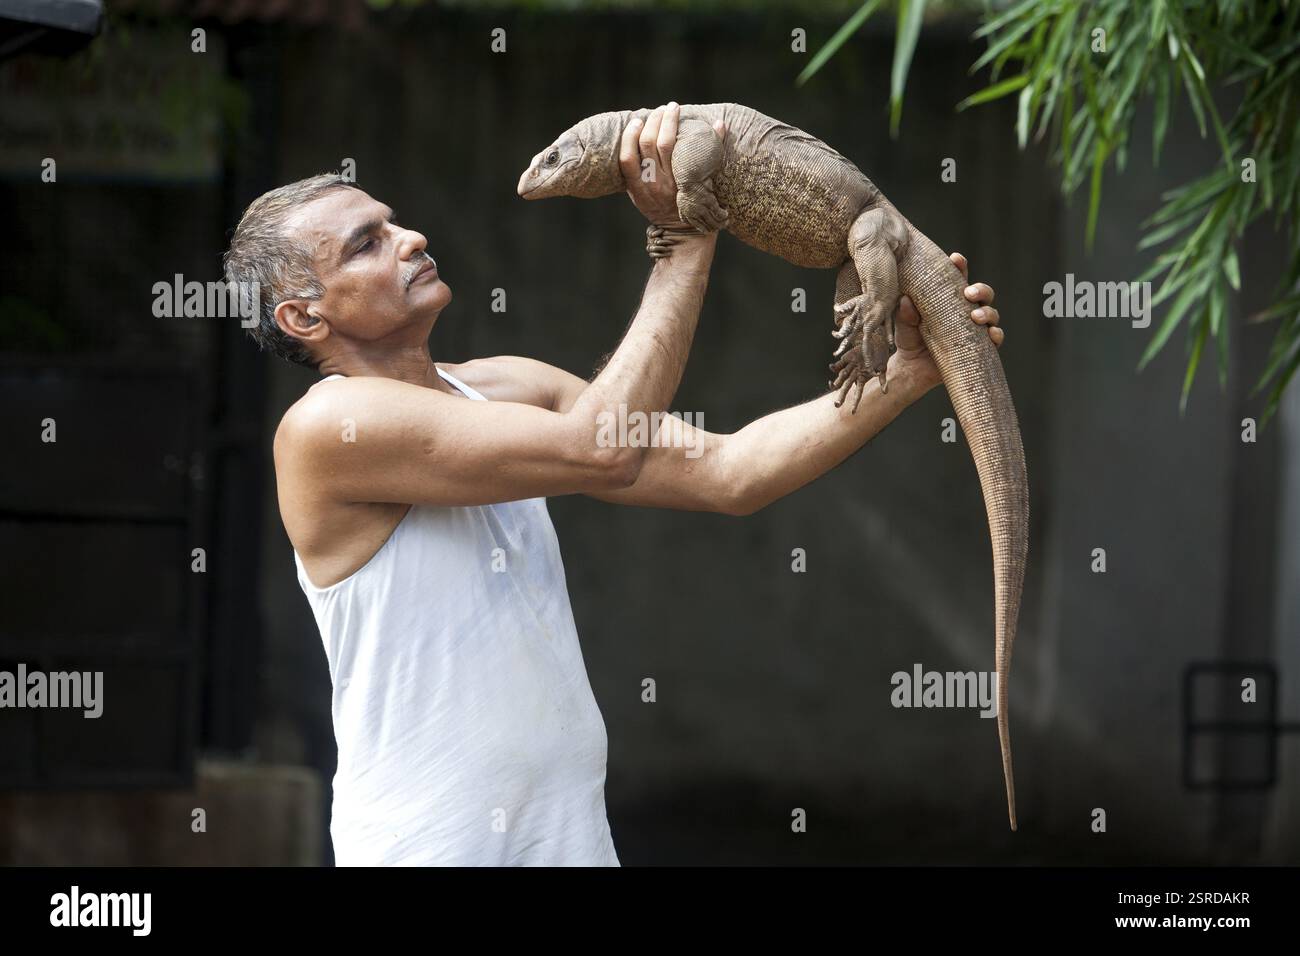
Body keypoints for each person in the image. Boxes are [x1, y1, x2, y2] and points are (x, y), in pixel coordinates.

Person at [222, 103, 1002, 866]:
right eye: (367, 244)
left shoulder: (505, 387)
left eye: (392, 222)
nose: (410, 238)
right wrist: (683, 242)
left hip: (571, 838)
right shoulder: (328, 429)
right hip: (431, 846)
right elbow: (602, 449)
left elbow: (732, 473)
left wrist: (906, 374)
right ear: (303, 317)